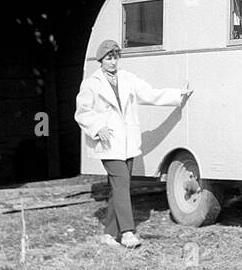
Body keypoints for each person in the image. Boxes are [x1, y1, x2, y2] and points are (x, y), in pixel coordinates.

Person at [75, 40, 191, 249]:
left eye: (115, 57)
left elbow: (149, 94)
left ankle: (109, 234)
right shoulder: (92, 83)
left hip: (126, 142)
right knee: (121, 184)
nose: (113, 62)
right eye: (109, 58)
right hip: (107, 143)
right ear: (101, 60)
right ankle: (128, 232)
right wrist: (97, 127)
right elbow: (82, 112)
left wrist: (178, 95)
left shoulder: (127, 78)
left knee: (118, 188)